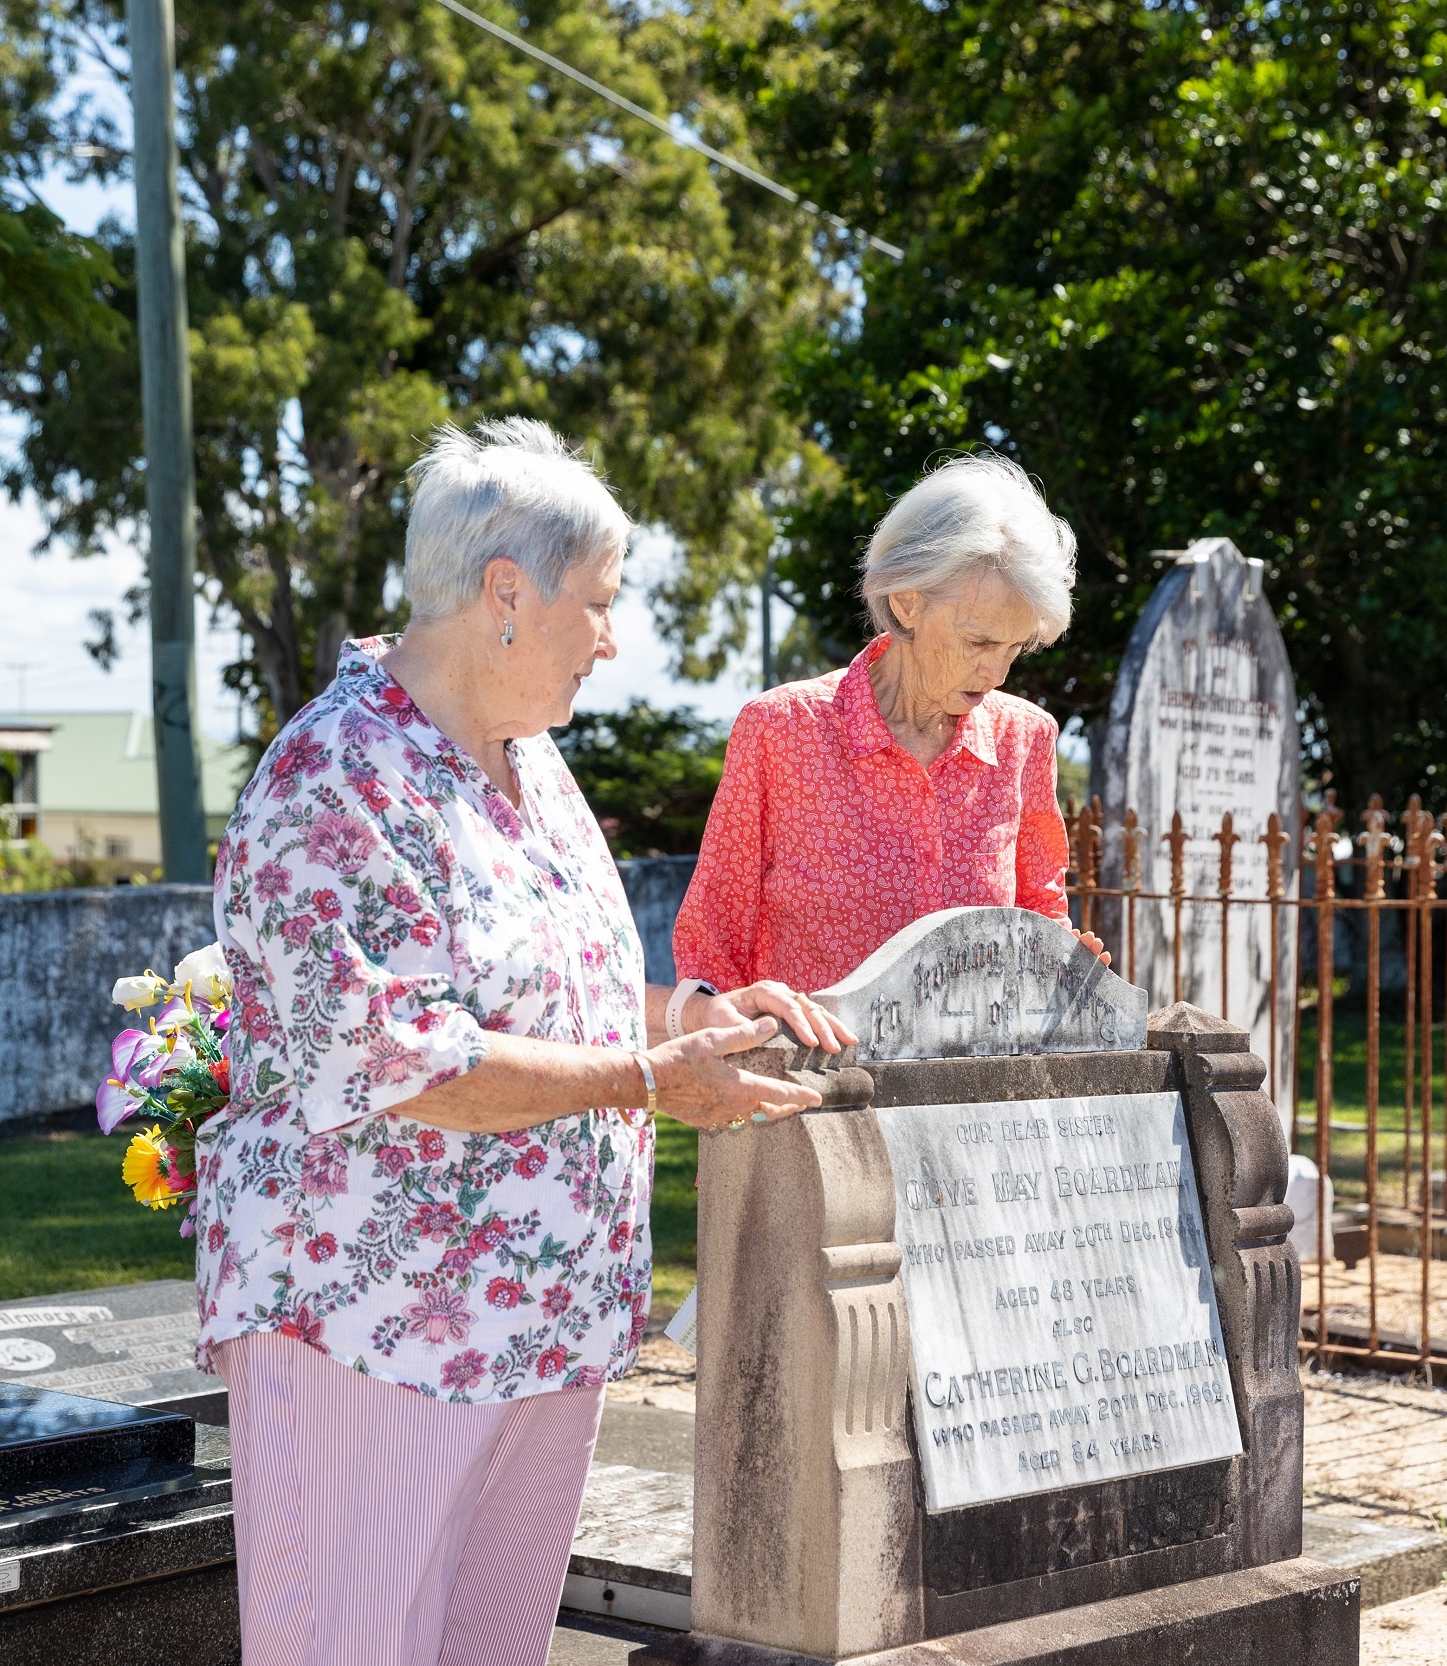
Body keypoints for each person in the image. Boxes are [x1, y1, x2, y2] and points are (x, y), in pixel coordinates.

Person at [200, 417, 855, 1666]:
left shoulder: (530, 763)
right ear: (507, 594)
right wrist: (651, 1081)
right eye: (599, 604)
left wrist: (696, 1015)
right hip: (375, 1319)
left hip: (539, 1318)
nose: (614, 639)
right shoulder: (334, 779)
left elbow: (564, 994)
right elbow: (403, 1059)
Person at [672, 453, 1103, 994]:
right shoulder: (781, 730)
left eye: (1015, 647)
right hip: (817, 1076)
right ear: (905, 604)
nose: (996, 671)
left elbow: (1038, 919)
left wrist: (1062, 964)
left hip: (971, 1077)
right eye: (979, 642)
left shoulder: (1025, 739)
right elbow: (712, 942)